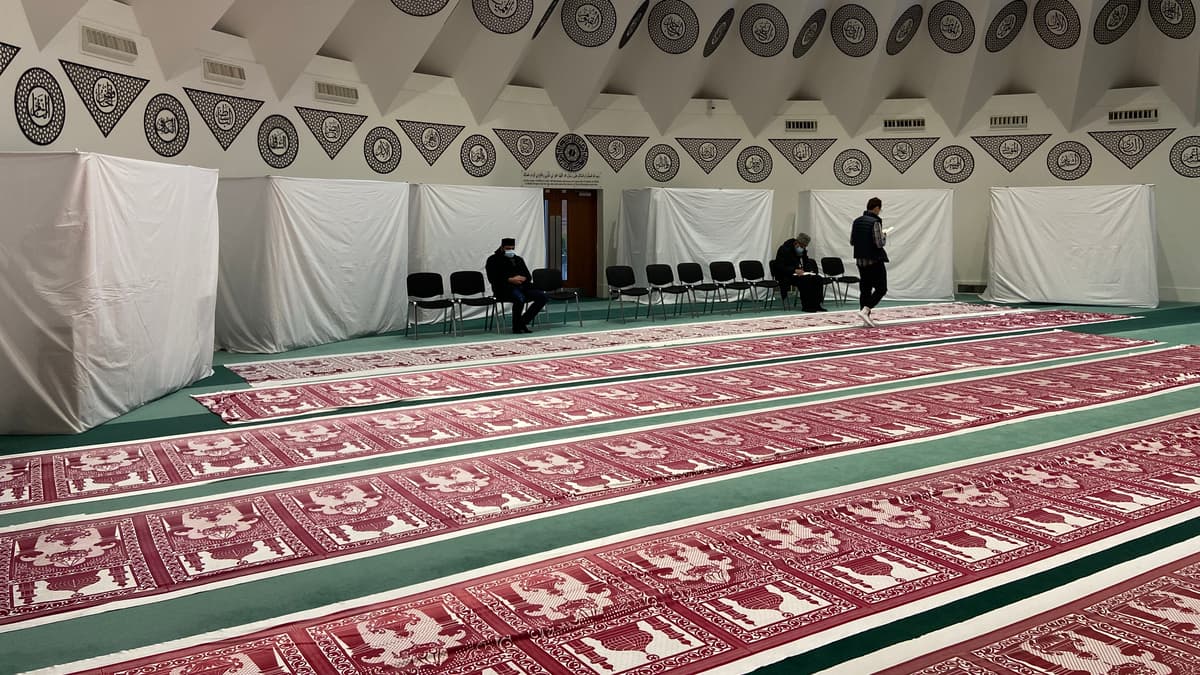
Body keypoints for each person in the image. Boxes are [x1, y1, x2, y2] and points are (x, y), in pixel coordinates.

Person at [485, 237, 547, 334]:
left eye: (512, 248)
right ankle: (516, 326)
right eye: (508, 248)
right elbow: (492, 278)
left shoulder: (518, 259)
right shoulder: (493, 260)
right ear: (502, 248)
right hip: (503, 289)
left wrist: (522, 279)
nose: (510, 250)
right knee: (520, 298)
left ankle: (522, 322)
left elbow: (528, 276)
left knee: (542, 296)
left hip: (522, 286)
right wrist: (510, 279)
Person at [850, 197, 889, 327]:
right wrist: (884, 236)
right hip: (874, 261)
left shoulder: (856, 221)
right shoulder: (875, 222)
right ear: (876, 208)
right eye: (880, 209)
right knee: (881, 288)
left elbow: (852, 241)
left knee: (865, 289)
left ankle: (865, 318)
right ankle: (865, 311)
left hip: (860, 261)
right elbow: (879, 243)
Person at [773, 234, 827, 312]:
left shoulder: (802, 250)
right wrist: (794, 270)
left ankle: (817, 304)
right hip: (786, 275)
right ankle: (807, 306)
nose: (803, 248)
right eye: (802, 246)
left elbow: (806, 262)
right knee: (805, 280)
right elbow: (779, 266)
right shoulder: (784, 249)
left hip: (799, 274)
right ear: (796, 243)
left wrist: (810, 271)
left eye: (805, 246)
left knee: (817, 279)